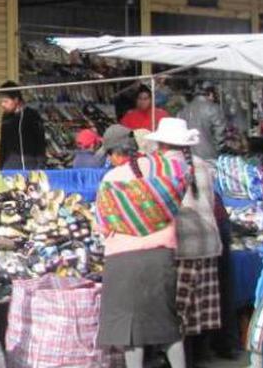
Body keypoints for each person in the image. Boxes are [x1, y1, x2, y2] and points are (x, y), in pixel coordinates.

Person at [95, 123, 187, 368]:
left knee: (130, 329)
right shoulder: (163, 169)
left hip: (123, 259)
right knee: (166, 324)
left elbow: (104, 224)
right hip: (161, 255)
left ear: (115, 154)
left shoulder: (111, 179)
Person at [147, 118, 224, 362]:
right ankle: (196, 358)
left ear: (161, 143)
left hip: (182, 244)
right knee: (195, 311)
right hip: (209, 243)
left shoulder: (158, 167)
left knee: (175, 313)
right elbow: (209, 203)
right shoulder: (201, 164)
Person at [0, 81, 47, 170]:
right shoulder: (5, 117)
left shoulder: (32, 115)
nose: (2, 105)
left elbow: (41, 143)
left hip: (29, 166)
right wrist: (0, 167)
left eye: (5, 101)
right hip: (8, 167)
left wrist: (40, 166)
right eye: (1, 101)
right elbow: (3, 144)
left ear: (16, 100)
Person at [177, 81, 227, 162]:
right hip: (209, 156)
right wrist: (217, 149)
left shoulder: (184, 110)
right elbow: (220, 134)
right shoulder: (213, 108)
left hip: (188, 156)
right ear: (210, 94)